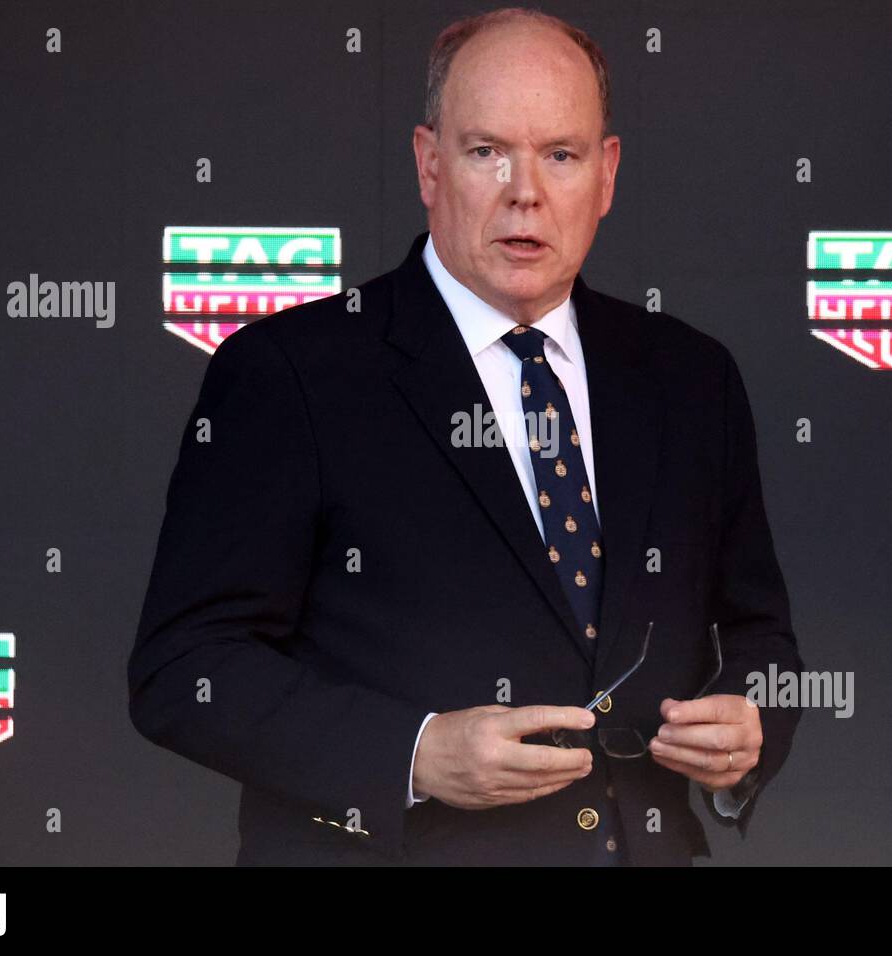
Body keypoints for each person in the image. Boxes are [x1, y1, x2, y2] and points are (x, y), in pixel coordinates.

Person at [128, 6, 803, 866]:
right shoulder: (289, 373)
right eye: (488, 151)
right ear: (429, 163)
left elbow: (760, 639)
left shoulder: (690, 378)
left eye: (560, 154)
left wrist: (752, 726)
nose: (526, 190)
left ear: (606, 174)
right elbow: (182, 670)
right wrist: (415, 752)